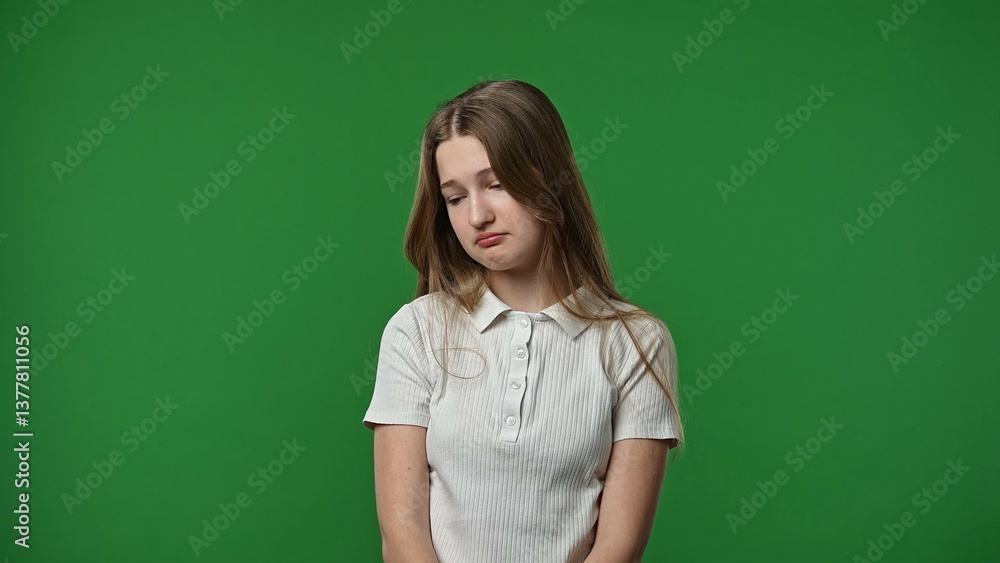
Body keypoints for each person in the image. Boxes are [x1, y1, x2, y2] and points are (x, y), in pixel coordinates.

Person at [362, 79, 685, 563]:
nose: (476, 216)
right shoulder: (417, 331)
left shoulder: (636, 342)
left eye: (496, 184)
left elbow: (619, 546)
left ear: (550, 179)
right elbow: (402, 533)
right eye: (454, 197)